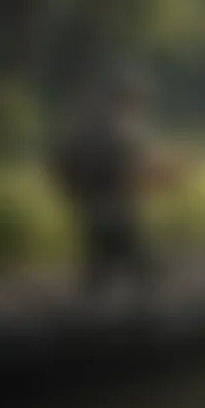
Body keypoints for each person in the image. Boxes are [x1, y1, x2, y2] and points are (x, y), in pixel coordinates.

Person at [49, 67, 177, 296]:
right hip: (114, 207)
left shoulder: (87, 123)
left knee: (103, 264)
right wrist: (168, 175)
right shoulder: (119, 127)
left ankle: (87, 311)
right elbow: (135, 167)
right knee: (136, 265)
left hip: (90, 205)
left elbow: (61, 160)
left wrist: (73, 193)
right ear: (129, 98)